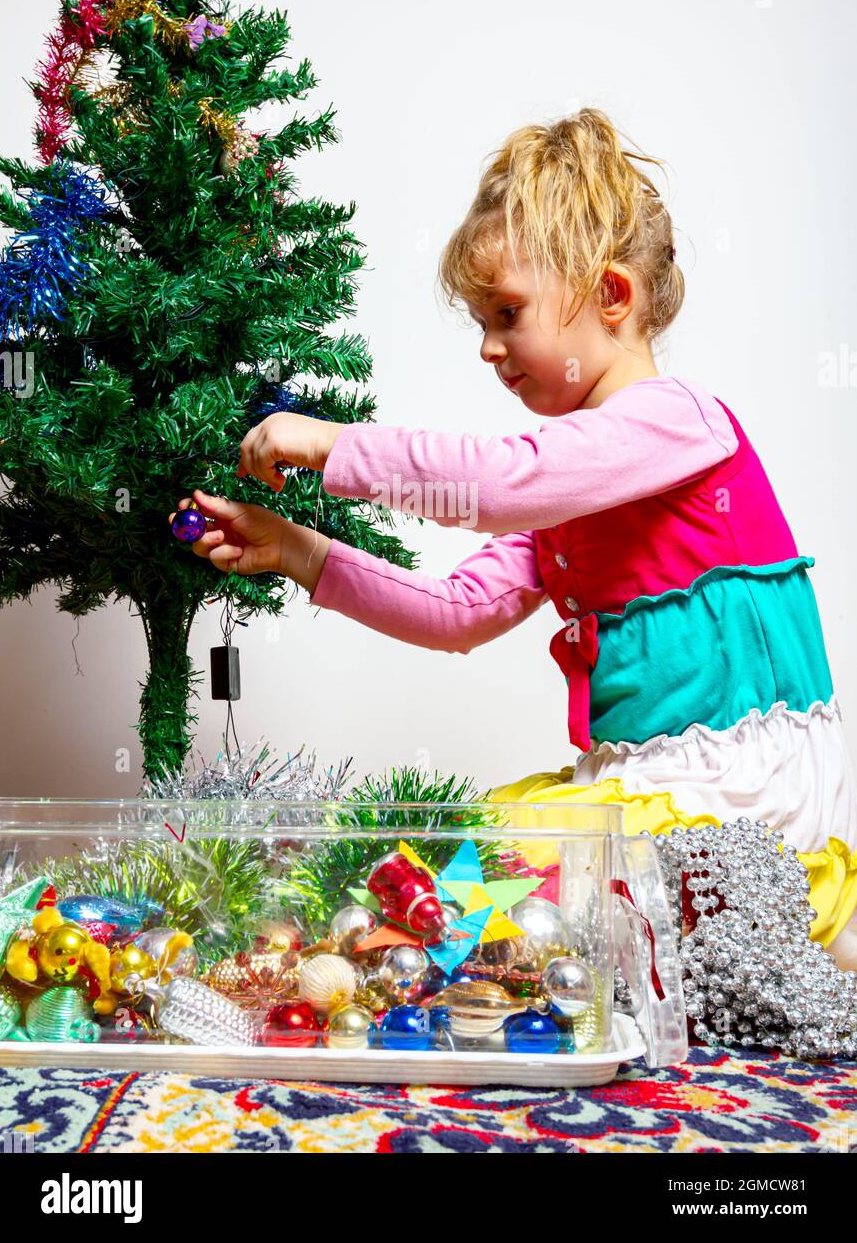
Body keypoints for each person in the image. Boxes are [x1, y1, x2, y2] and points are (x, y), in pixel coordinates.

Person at [170, 108, 857, 970]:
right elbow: (459, 612)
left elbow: (497, 485)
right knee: (461, 860)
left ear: (612, 296)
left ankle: (804, 923)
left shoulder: (676, 422)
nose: (490, 348)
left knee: (490, 901)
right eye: (480, 323)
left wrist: (336, 444)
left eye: (508, 312)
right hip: (651, 790)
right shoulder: (571, 493)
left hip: (743, 801)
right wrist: (297, 549)